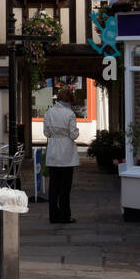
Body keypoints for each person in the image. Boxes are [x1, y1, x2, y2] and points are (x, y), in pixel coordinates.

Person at [42, 84, 81, 223]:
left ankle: (53, 215)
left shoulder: (49, 113)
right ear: (69, 100)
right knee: (65, 187)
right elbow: (73, 135)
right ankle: (65, 215)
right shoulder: (70, 114)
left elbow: (46, 133)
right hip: (66, 153)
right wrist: (76, 132)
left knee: (53, 186)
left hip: (53, 150)